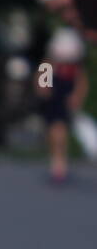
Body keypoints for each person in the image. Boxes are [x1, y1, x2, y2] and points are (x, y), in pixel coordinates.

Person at [38, 27, 88, 183]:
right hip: (53, 99)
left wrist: (76, 97)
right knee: (53, 131)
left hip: (64, 100)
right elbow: (42, 82)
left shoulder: (74, 68)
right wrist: (44, 90)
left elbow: (81, 83)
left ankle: (60, 164)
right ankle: (56, 161)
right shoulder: (49, 63)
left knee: (61, 130)